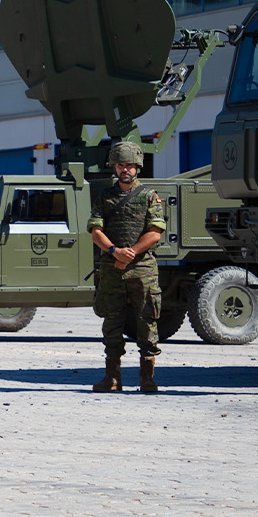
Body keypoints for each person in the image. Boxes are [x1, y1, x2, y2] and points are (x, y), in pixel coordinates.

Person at [87, 141, 168, 393]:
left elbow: (155, 232)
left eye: (130, 165)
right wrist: (114, 251)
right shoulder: (105, 197)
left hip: (142, 270)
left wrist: (129, 253)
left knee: (147, 322)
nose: (126, 170)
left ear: (138, 167)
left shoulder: (149, 197)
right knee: (112, 322)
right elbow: (95, 230)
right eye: (121, 165)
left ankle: (147, 378)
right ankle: (112, 378)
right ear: (114, 166)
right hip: (112, 269)